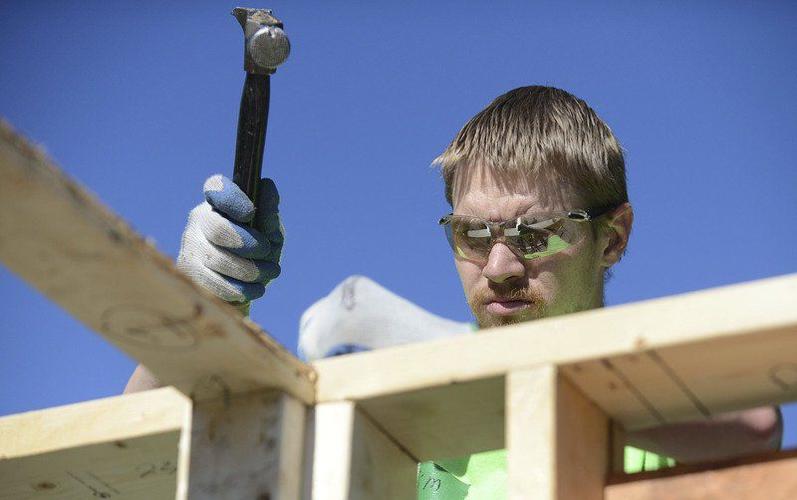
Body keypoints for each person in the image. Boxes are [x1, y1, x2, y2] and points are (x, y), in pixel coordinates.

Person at [125, 86, 782, 497]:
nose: (497, 266)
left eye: (535, 234)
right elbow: (132, 467)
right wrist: (198, 304)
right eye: (471, 234)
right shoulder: (398, 418)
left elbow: (753, 429)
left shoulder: (647, 407)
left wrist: (447, 351)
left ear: (610, 239)